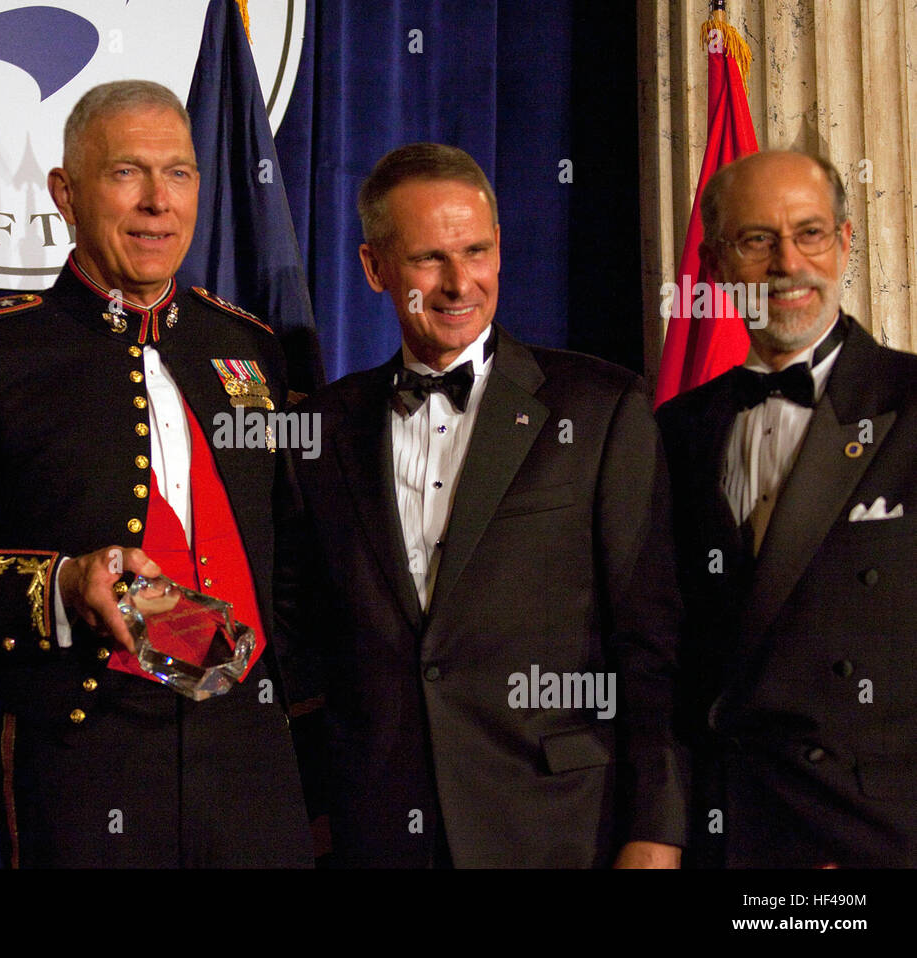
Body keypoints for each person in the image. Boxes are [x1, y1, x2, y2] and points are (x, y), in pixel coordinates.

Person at [0, 80, 312, 867]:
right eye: (127, 173)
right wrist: (62, 586)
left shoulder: (249, 348)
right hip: (89, 763)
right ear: (65, 193)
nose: (158, 201)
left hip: (252, 766)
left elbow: (289, 558)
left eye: (179, 174)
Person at [275, 143, 687, 868]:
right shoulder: (321, 431)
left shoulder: (600, 409)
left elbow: (652, 647)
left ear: (499, 249)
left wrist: (655, 836)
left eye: (475, 251)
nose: (459, 282)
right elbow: (304, 643)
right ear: (374, 268)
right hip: (379, 834)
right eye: (429, 258)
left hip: (559, 829)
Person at [656, 149, 917, 867]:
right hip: (722, 832)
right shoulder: (669, 434)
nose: (787, 264)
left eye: (809, 234)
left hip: (869, 839)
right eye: (756, 240)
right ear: (713, 263)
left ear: (845, 241)